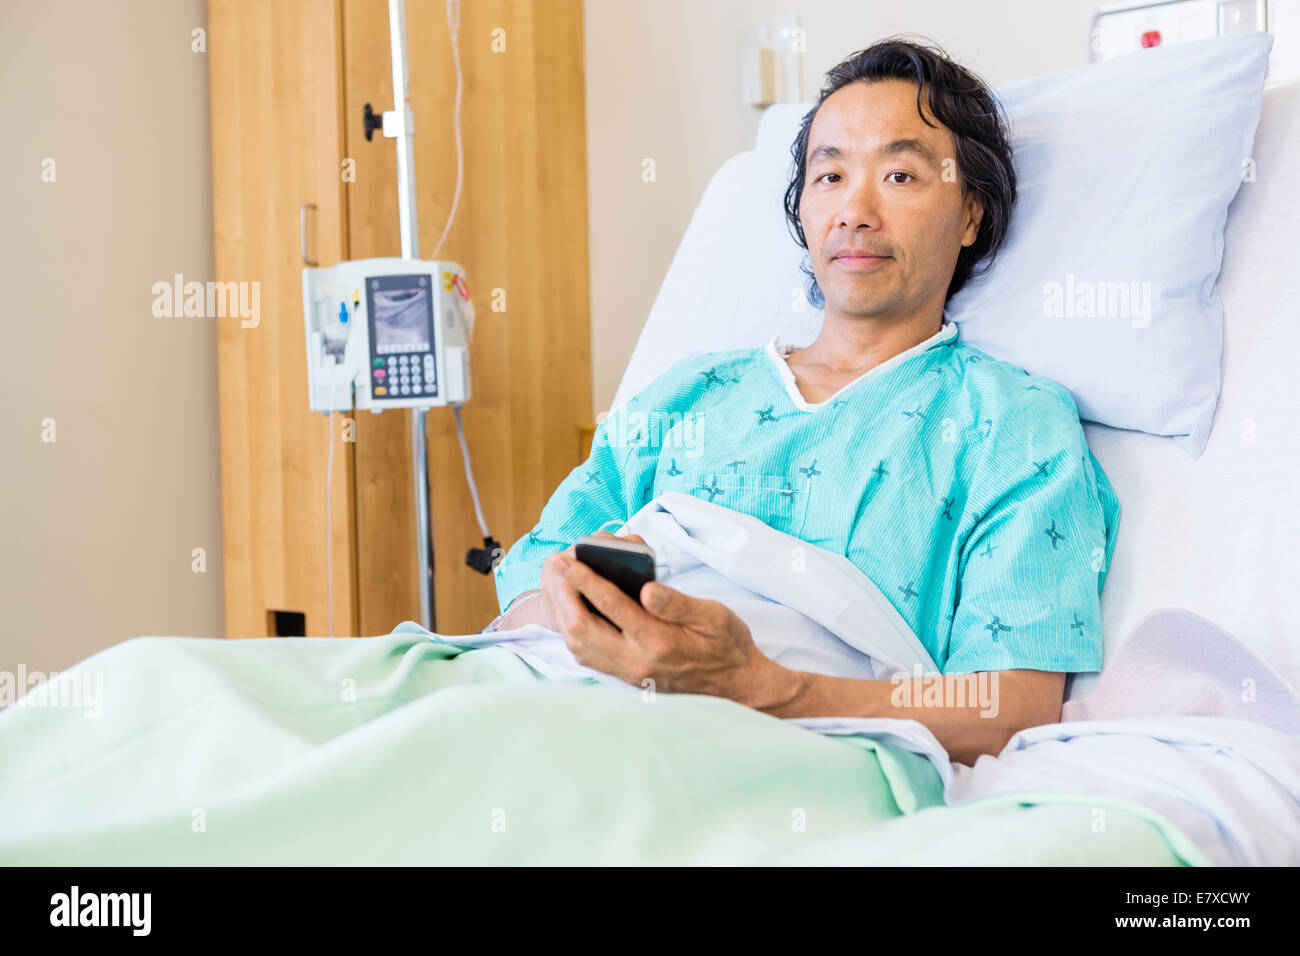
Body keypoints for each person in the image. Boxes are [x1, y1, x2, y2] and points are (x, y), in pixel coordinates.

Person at [490, 37, 1120, 766]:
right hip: (556, 698)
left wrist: (767, 688)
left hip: (776, 754)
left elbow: (1005, 703)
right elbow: (534, 579)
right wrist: (585, 620)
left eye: (900, 174)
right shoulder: (690, 392)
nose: (854, 210)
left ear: (972, 214)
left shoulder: (1011, 425)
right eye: (828, 176)